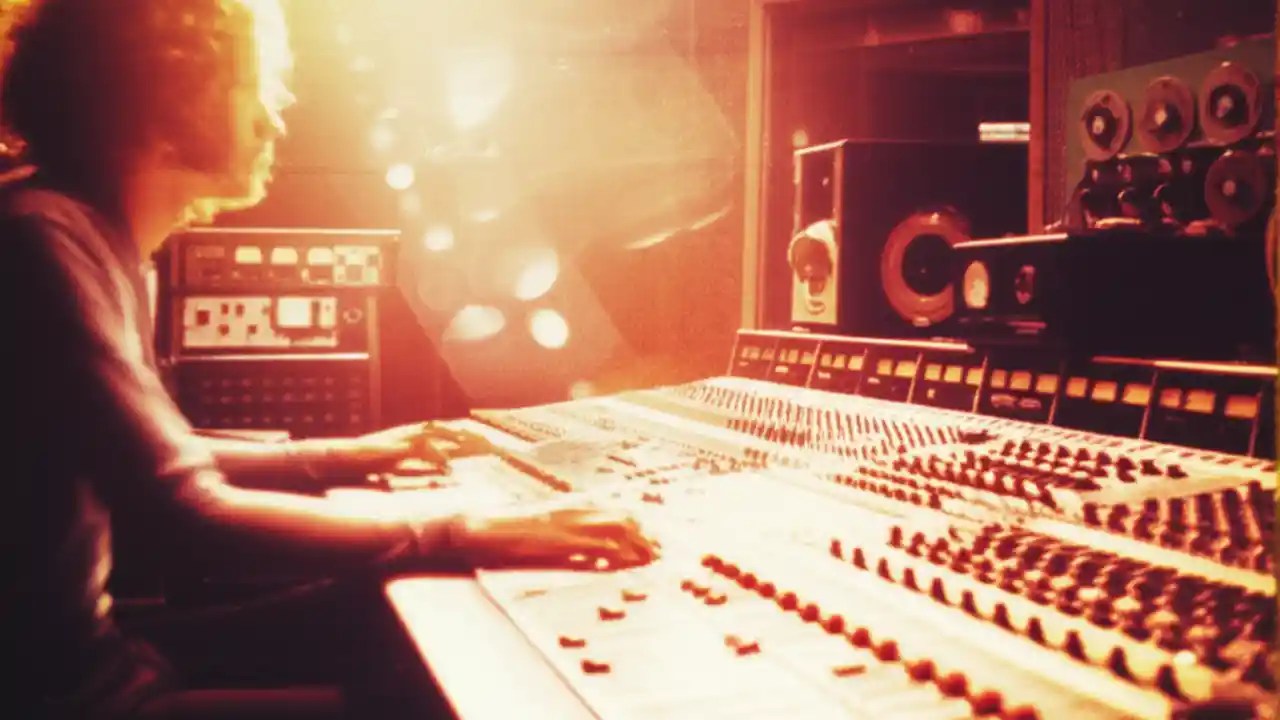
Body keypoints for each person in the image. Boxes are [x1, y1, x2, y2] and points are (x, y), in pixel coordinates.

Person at [0, 0, 657, 718]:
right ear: (162, 93)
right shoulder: (46, 241)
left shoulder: (68, 227)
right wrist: (463, 529)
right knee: (429, 665)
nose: (273, 122)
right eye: (249, 91)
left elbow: (160, 458)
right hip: (76, 694)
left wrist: (355, 456)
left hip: (103, 657)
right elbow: (182, 512)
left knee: (383, 614)